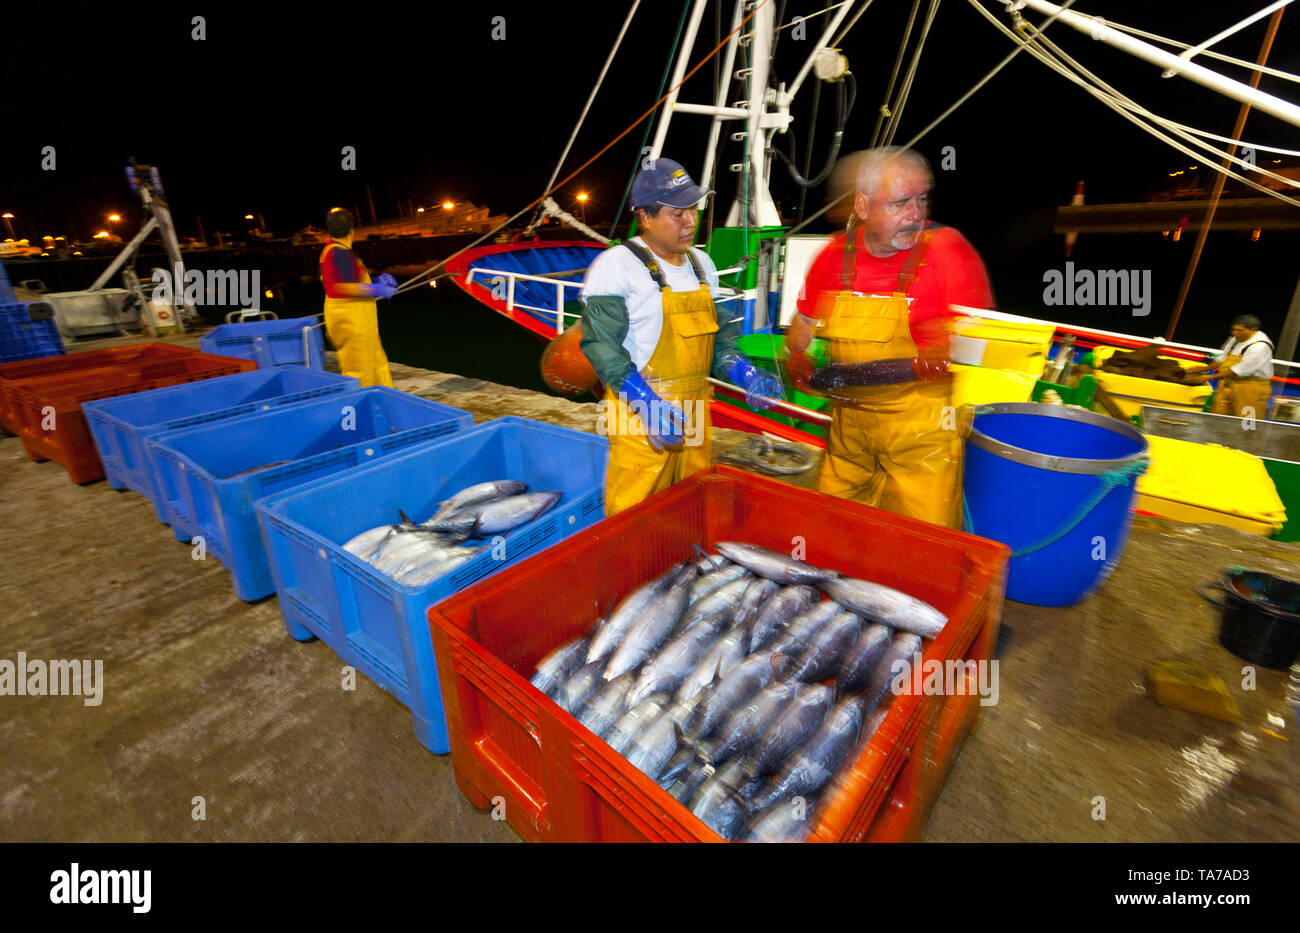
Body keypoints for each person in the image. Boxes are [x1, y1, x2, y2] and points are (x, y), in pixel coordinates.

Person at [784, 147, 993, 528]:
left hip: (923, 440)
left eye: (922, 199)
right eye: (900, 203)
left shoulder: (948, 251)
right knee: (832, 530)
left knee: (922, 545)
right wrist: (798, 356)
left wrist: (948, 352)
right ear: (863, 206)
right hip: (850, 435)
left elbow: (981, 345)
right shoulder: (833, 255)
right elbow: (802, 326)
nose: (916, 215)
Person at [579, 157, 783, 516]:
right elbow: (601, 345)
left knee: (690, 507)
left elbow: (718, 337)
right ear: (644, 217)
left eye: (692, 209)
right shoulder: (614, 267)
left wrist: (740, 370)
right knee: (636, 514)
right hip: (638, 415)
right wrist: (644, 399)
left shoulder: (702, 265)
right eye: (677, 213)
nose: (690, 221)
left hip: (694, 413)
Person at [320, 208, 398, 387]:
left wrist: (377, 281)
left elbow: (343, 281)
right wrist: (378, 289)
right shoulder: (339, 253)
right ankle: (363, 409)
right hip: (353, 323)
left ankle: (383, 400)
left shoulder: (333, 251)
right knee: (361, 371)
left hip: (356, 322)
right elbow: (344, 287)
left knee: (374, 362)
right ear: (352, 231)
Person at [1188, 314, 1275, 419]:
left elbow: (1238, 371)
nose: (1235, 333)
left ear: (1254, 329)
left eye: (1240, 330)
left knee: (1246, 424)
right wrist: (1204, 369)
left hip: (1251, 388)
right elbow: (1223, 359)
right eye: (1234, 329)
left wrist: (1209, 377)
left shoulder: (1259, 347)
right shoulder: (1235, 339)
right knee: (1218, 417)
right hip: (1229, 384)